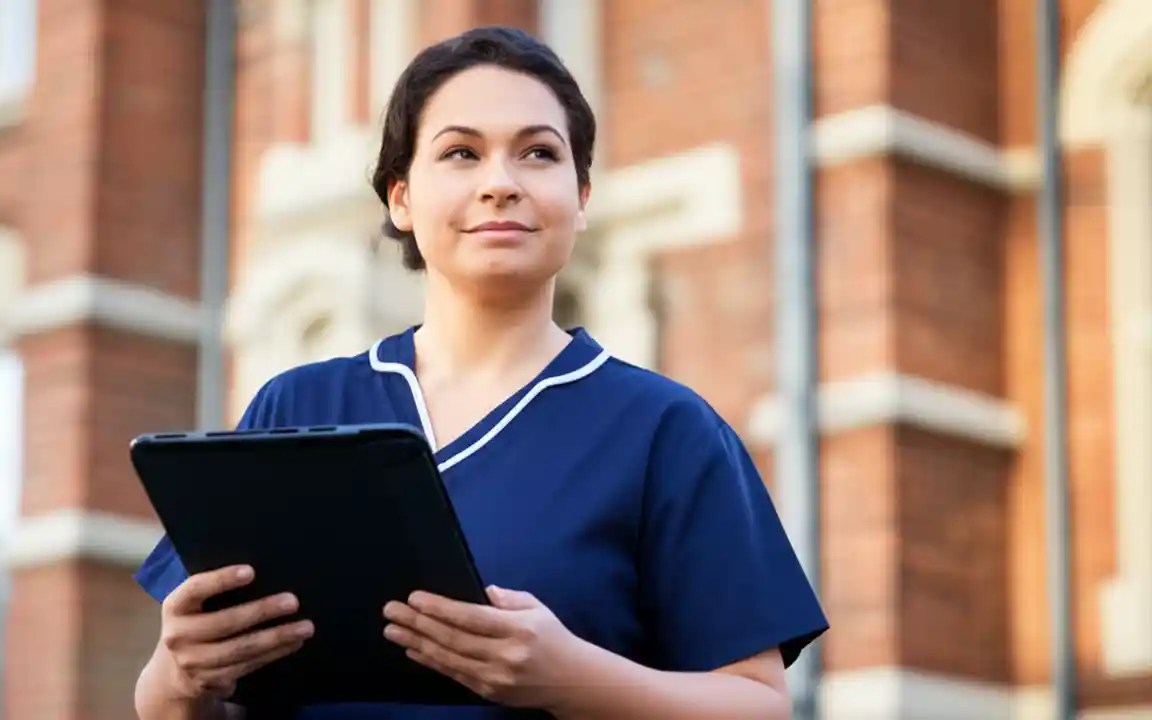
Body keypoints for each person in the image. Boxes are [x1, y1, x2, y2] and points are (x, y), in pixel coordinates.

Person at [133, 25, 827, 720]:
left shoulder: (665, 431)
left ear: (581, 196)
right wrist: (179, 680)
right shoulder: (297, 405)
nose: (500, 183)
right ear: (400, 199)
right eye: (461, 153)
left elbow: (759, 706)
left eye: (538, 154)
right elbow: (177, 701)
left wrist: (569, 677)